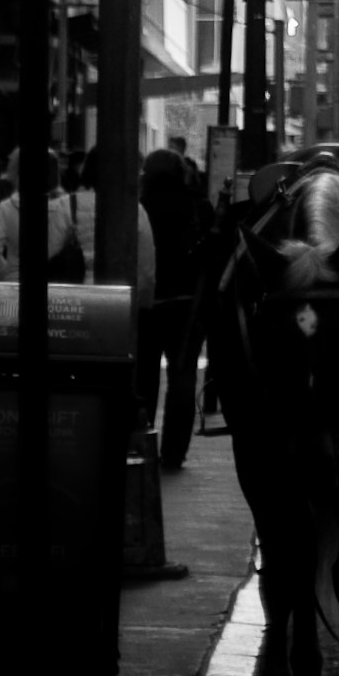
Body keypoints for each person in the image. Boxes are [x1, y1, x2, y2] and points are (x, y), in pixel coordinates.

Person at [140, 134, 214, 470]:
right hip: (187, 304)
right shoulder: (198, 205)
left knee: (142, 377)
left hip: (146, 302)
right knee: (183, 379)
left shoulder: (138, 204)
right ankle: (173, 453)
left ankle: (140, 442)